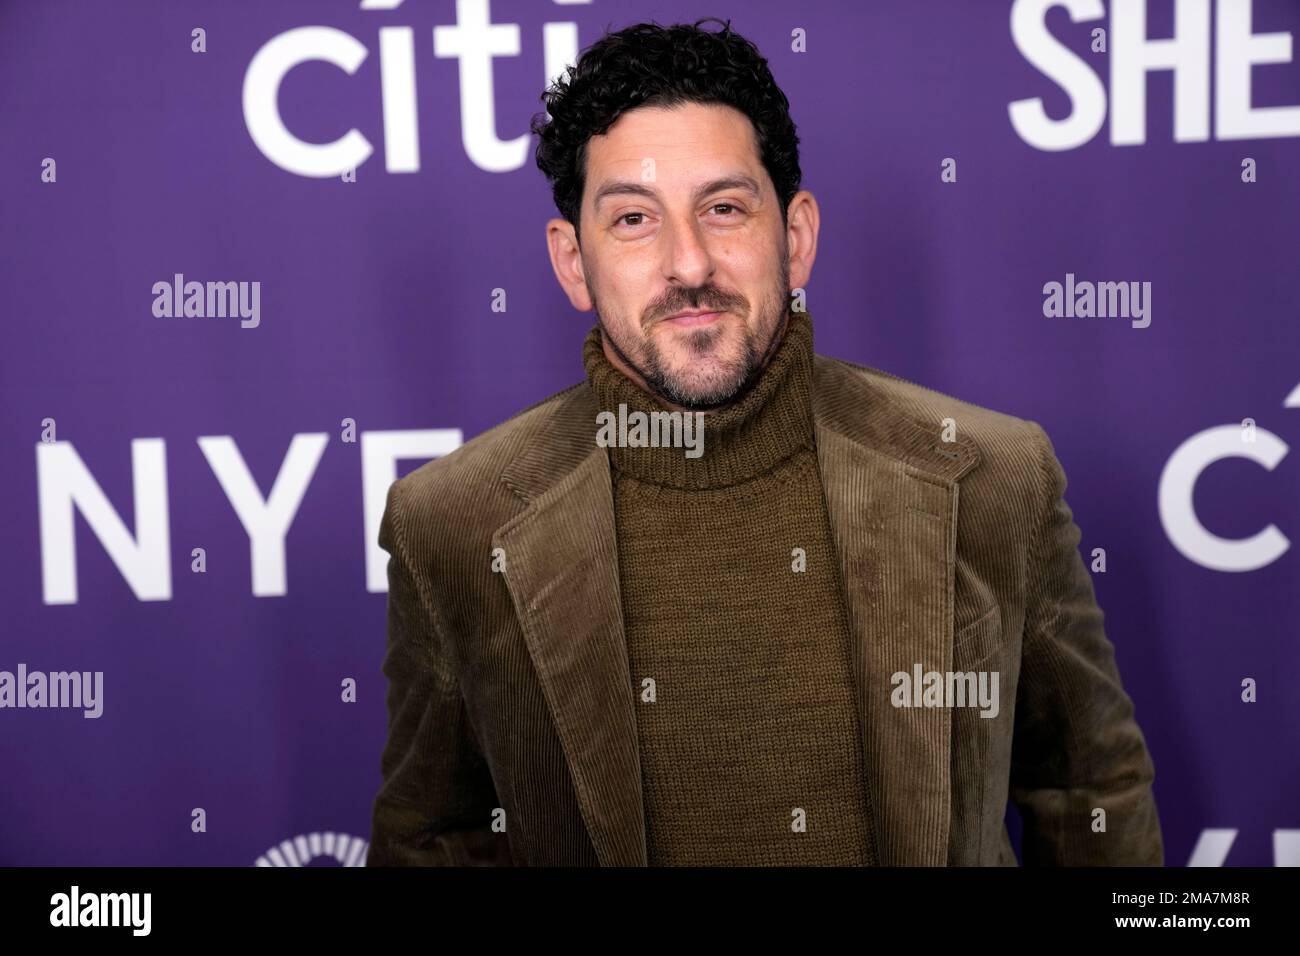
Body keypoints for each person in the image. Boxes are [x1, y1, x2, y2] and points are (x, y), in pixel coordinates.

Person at [365, 17, 1162, 867]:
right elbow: (433, 840)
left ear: (797, 235)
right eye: (634, 218)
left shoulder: (994, 478)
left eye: (724, 208)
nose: (690, 263)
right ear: (572, 262)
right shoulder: (453, 525)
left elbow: (1092, 796)